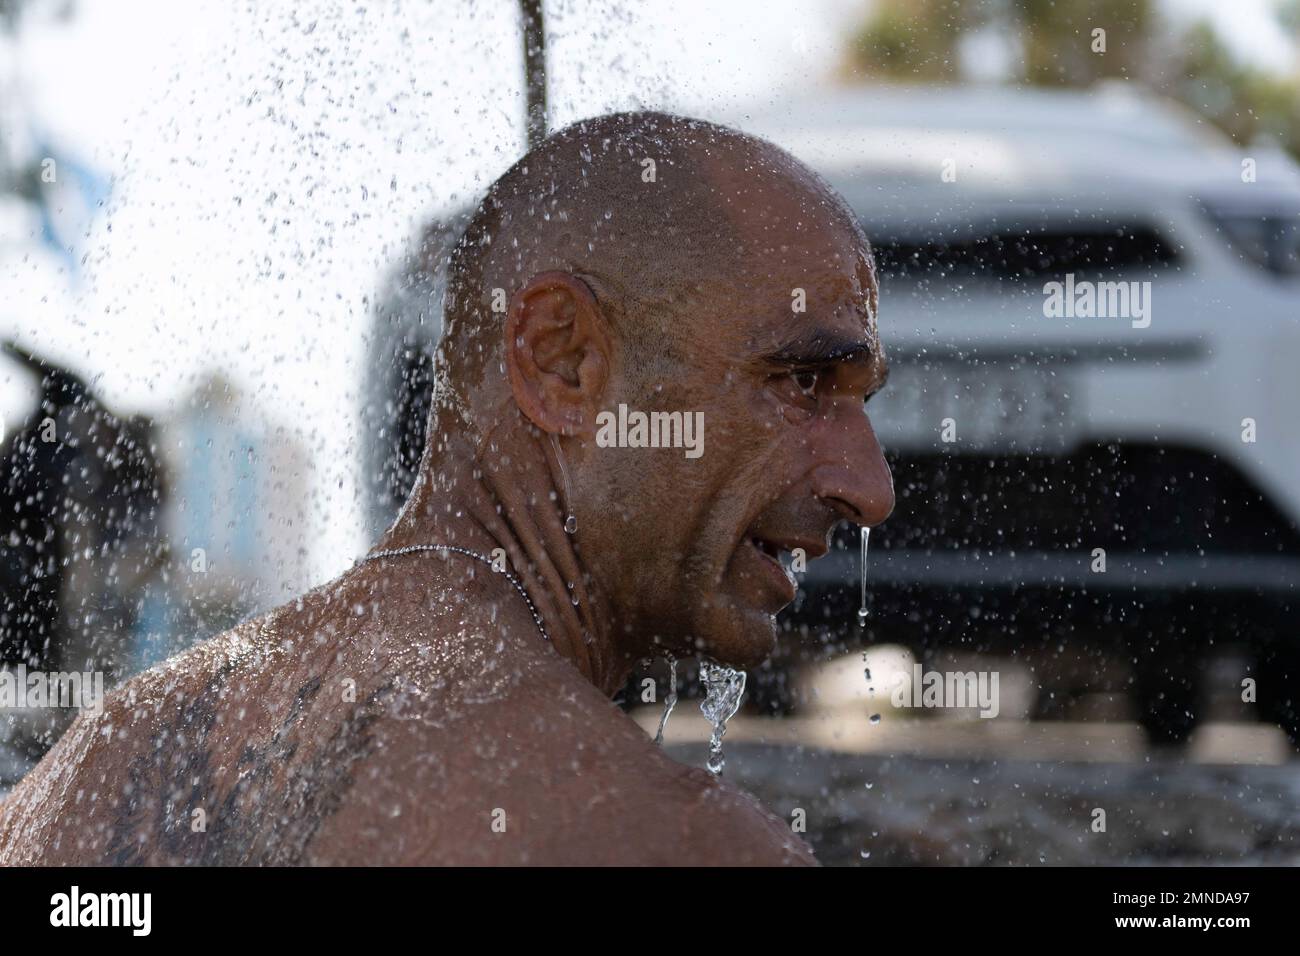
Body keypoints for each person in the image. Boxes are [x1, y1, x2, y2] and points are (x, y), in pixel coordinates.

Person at [0, 111, 893, 865]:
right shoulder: (674, 842)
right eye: (802, 383)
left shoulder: (85, 776)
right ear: (562, 362)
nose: (870, 489)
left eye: (860, 405)